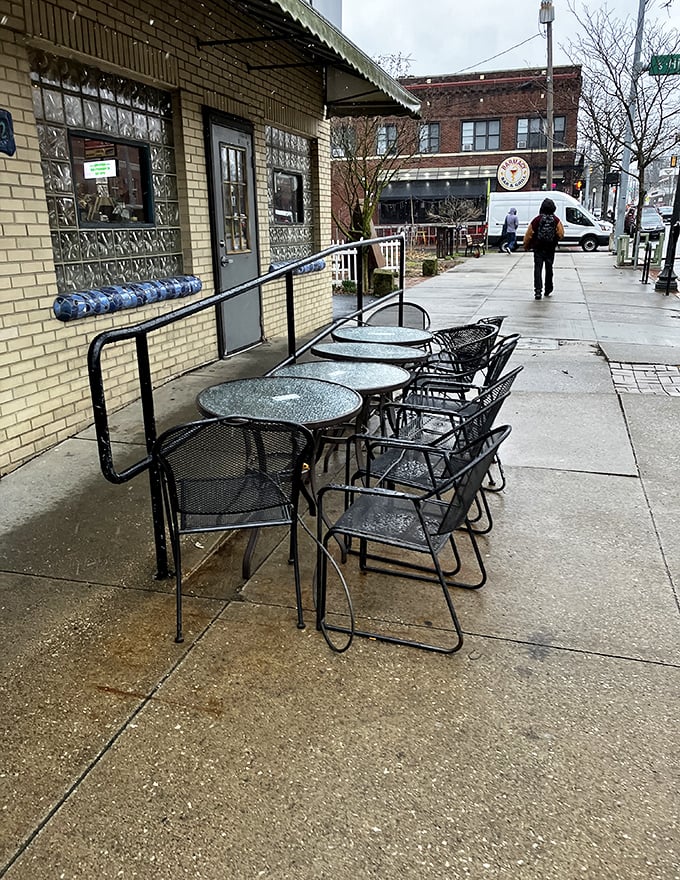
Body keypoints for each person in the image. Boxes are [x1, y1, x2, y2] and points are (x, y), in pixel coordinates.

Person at [523, 197, 564, 300]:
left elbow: (529, 234)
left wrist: (526, 246)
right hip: (550, 248)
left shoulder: (537, 219)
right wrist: (555, 239)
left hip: (538, 248)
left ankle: (538, 291)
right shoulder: (556, 220)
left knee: (538, 269)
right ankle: (548, 288)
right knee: (549, 268)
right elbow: (561, 233)